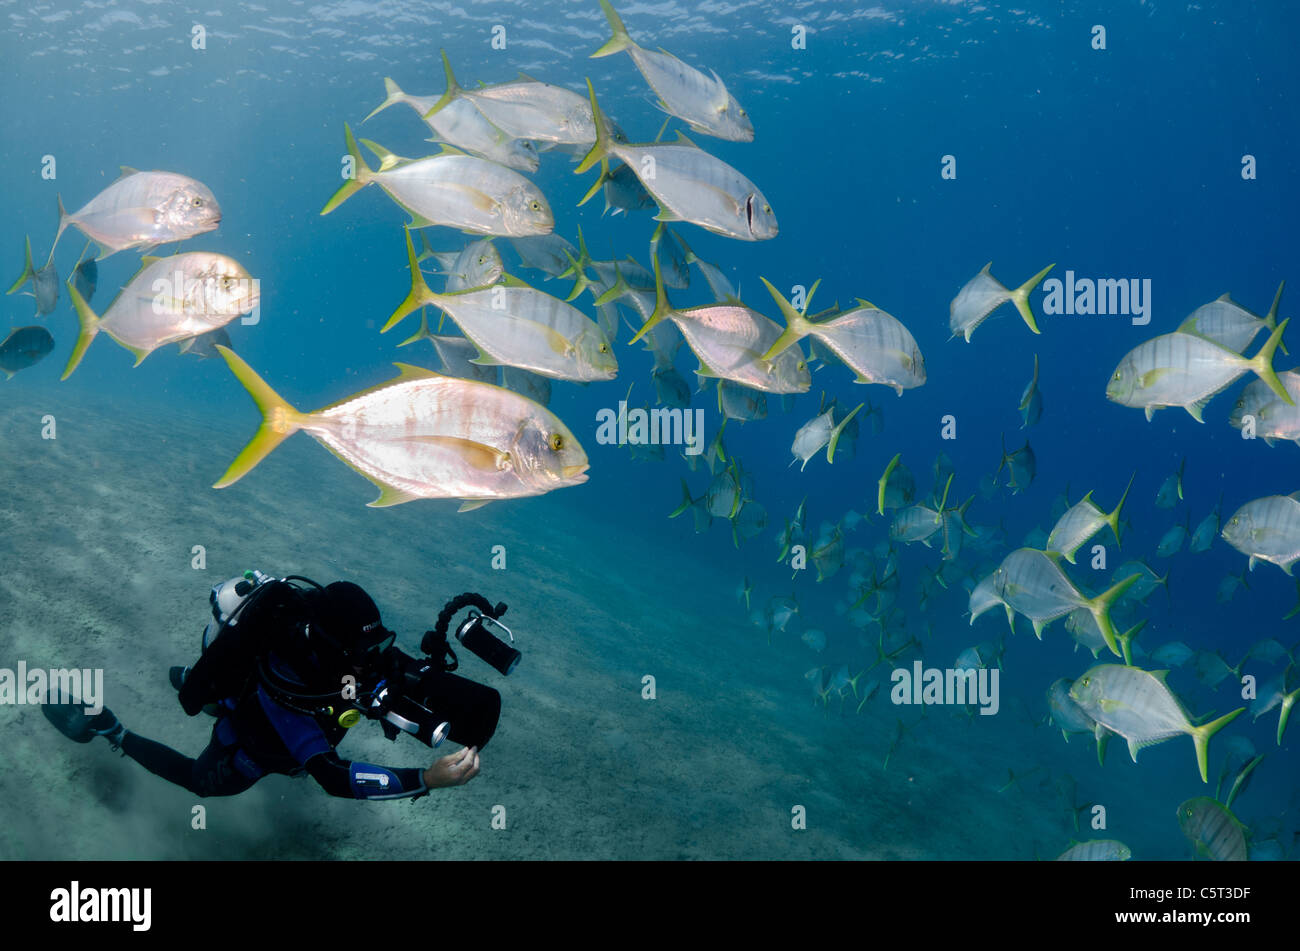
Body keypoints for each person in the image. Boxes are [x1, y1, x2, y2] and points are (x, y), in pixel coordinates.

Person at [43, 576, 501, 800]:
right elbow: (334, 778)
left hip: (272, 709)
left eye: (377, 643)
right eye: (363, 648)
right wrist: (426, 779)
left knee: (221, 698)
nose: (373, 657)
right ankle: (112, 729)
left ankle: (201, 688)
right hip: (253, 748)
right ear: (329, 645)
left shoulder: (351, 654)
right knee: (200, 784)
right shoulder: (288, 687)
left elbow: (395, 679)